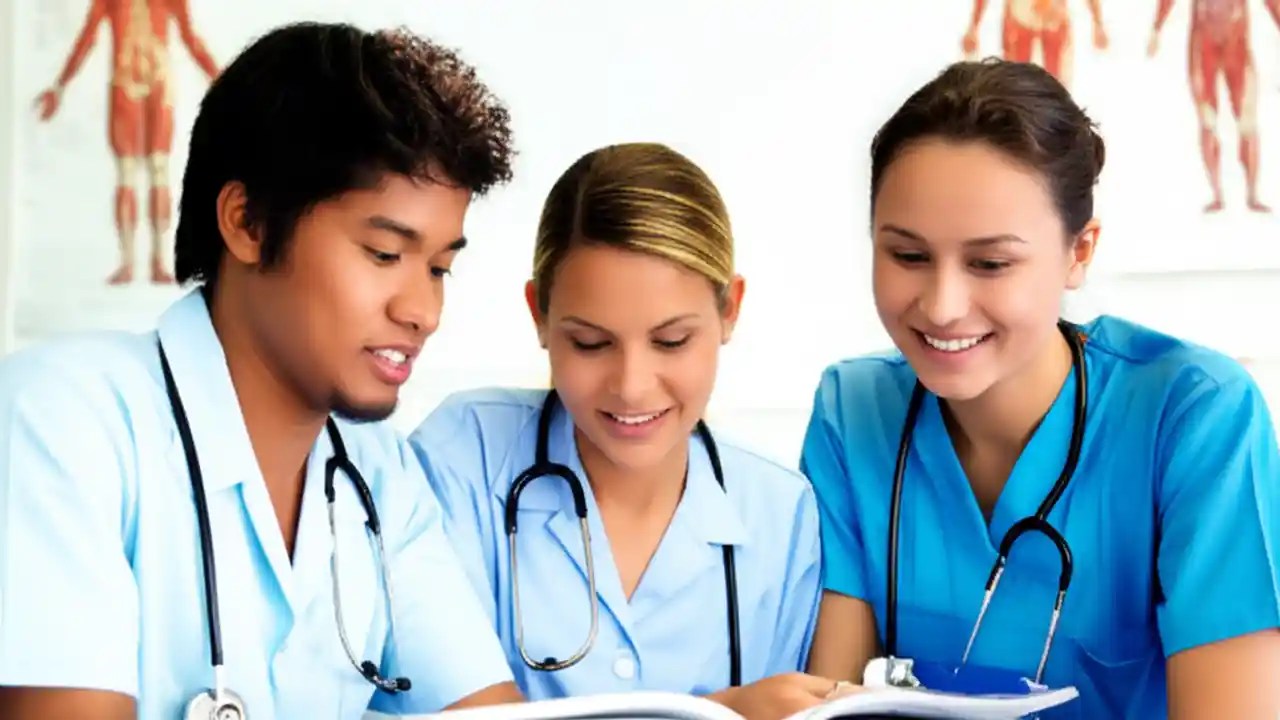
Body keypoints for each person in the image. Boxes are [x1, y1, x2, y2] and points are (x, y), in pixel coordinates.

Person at [0, 21, 524, 720]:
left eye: (439, 268)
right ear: (246, 223)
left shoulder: (383, 477)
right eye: (382, 255)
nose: (422, 309)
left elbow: (487, 713)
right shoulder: (63, 420)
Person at [802, 58, 1280, 719]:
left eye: (990, 263)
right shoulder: (851, 413)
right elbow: (831, 705)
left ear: (1079, 252)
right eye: (908, 256)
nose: (941, 306)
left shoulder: (1194, 415)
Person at [408, 142, 836, 720]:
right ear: (539, 314)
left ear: (730, 310)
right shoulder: (465, 456)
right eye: (591, 343)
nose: (632, 386)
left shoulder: (779, 513)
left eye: (671, 341)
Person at [35, 0, 221, 284]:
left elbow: (190, 38)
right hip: (128, 85)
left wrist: (222, 80)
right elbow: (88, 37)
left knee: (156, 172)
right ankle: (130, 262)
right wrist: (59, 87)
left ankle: (156, 261)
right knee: (129, 173)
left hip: (156, 87)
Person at [1148, 0, 1280, 213]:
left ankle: (1252, 193)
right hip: (1204, 45)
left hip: (1237, 44)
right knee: (1208, 120)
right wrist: (1157, 28)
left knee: (1247, 121)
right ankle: (1218, 193)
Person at [961, 0, 1108, 90]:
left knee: (1056, 87)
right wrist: (973, 27)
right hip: (1020, 23)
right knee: (1015, 85)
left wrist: (1098, 24)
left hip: (1052, 24)